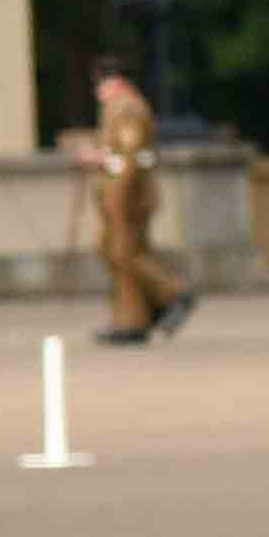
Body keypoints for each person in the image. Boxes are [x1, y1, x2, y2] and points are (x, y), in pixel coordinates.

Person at [86, 63, 183, 344]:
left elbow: (129, 157)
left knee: (124, 253)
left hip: (127, 196)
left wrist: (116, 195)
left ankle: (170, 293)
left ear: (116, 82)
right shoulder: (118, 108)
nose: (99, 93)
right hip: (121, 195)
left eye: (102, 85)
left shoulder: (127, 108)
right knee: (116, 253)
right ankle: (131, 319)